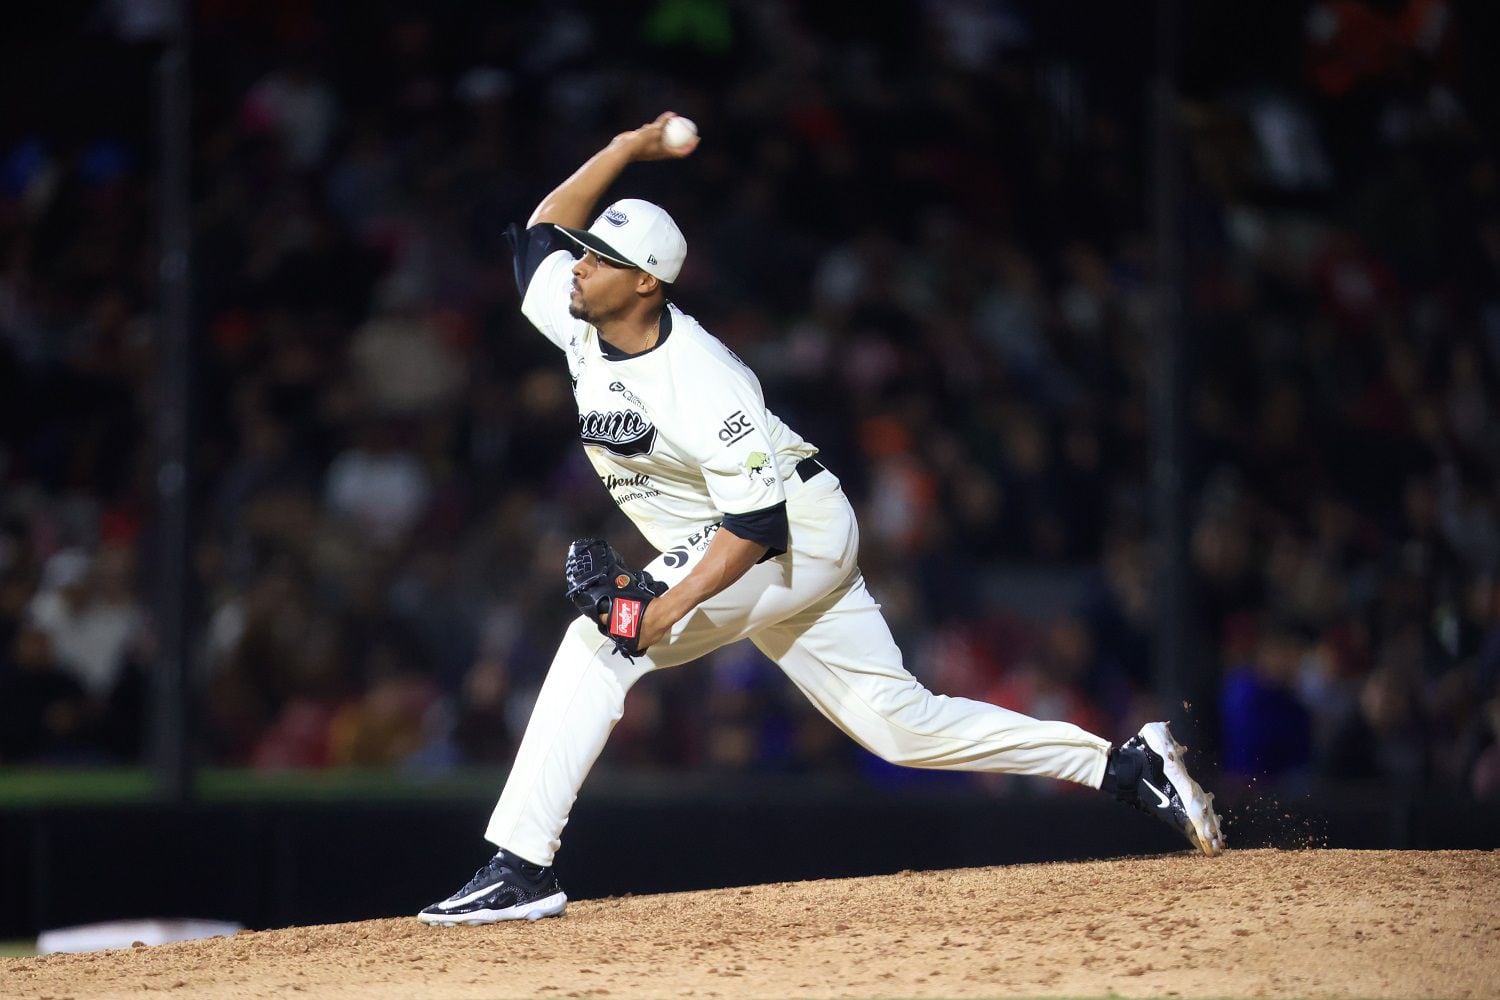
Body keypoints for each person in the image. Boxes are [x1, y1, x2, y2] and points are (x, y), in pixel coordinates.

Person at [419, 113, 1224, 926]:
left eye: (600, 258)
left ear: (645, 285)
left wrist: (655, 612)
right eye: (586, 252)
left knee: (601, 644)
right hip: (757, 542)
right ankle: (1125, 766)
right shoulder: (578, 317)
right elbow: (540, 231)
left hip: (787, 534)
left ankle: (521, 866)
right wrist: (629, 148)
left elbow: (756, 527)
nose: (580, 264)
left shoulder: (702, 379)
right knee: (901, 727)